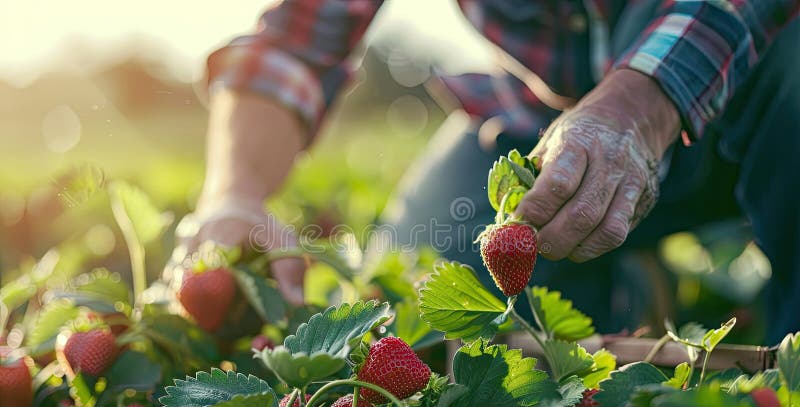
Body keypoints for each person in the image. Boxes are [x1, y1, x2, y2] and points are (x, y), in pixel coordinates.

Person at [174, 0, 800, 344]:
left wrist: (639, 102)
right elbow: (295, 41)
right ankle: (623, 301)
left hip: (755, 87)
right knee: (417, 319)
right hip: (538, 119)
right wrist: (234, 197)